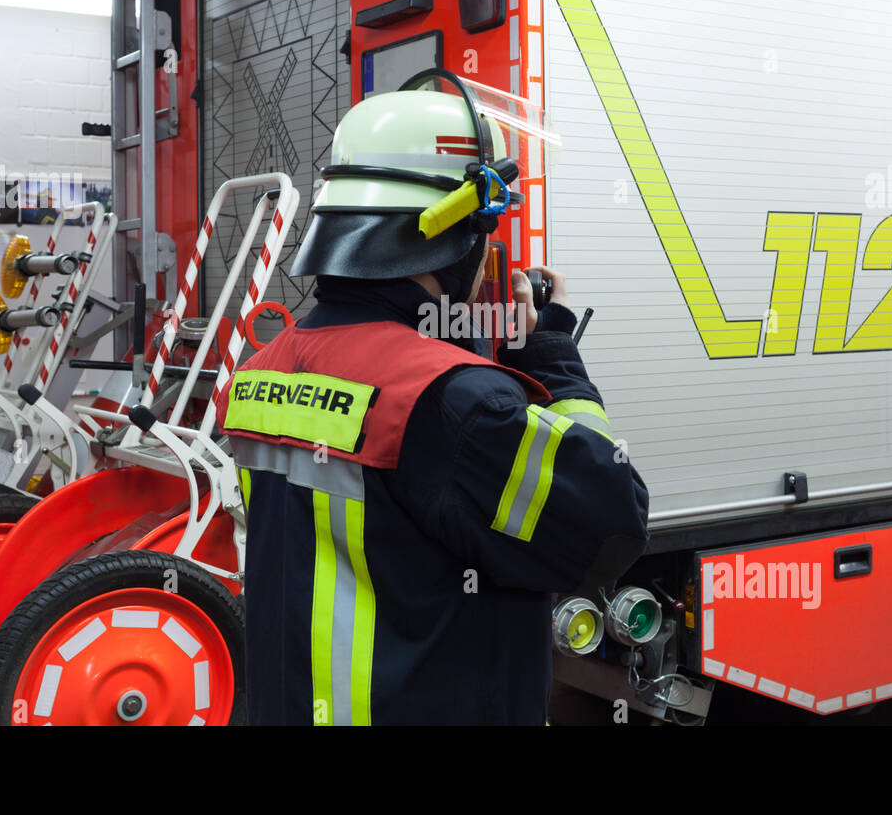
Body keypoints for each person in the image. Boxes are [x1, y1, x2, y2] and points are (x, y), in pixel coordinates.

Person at [216, 71, 650, 725]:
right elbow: (612, 526)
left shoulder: (265, 370)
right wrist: (549, 352)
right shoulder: (460, 403)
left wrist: (466, 346)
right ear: (455, 228)